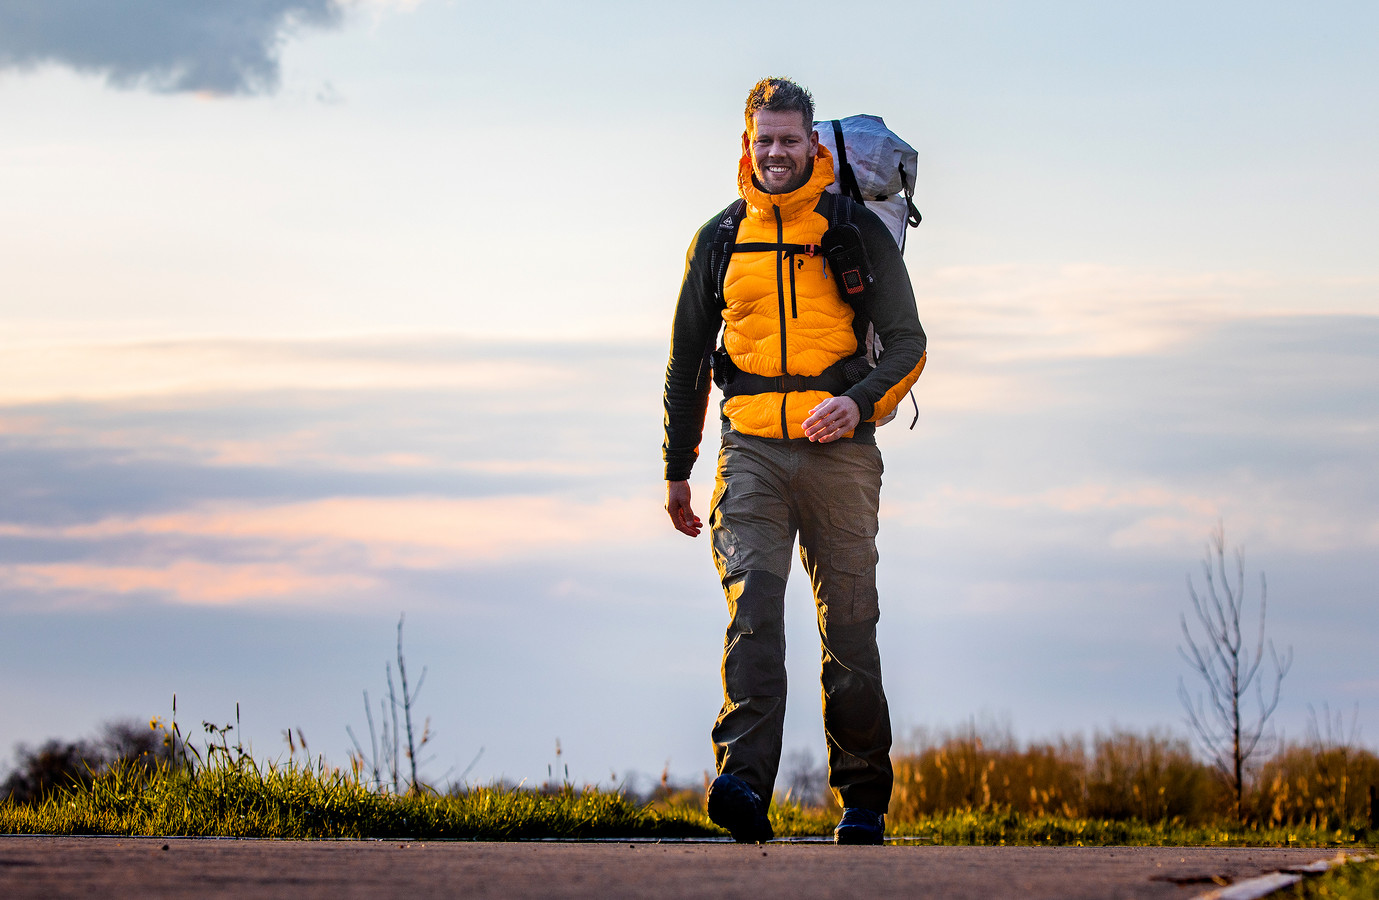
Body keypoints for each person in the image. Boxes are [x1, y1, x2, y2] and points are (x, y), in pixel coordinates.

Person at [661, 77, 927, 845]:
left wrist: (860, 403)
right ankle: (741, 785)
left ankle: (862, 802)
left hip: (840, 454)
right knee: (752, 614)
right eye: (764, 139)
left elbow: (907, 342)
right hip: (749, 453)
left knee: (848, 626)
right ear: (747, 145)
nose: (776, 152)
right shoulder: (716, 240)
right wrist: (678, 468)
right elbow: (685, 363)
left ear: (813, 145)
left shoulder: (852, 231)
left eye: (789, 139)